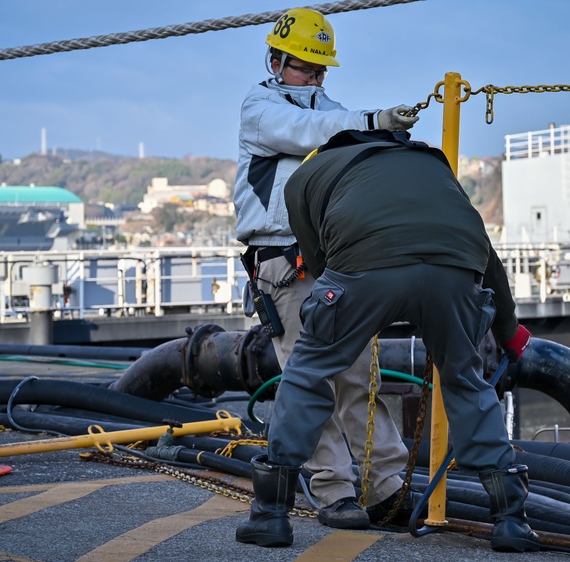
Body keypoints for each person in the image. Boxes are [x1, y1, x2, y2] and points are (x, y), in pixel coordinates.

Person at [234, 128, 539, 552]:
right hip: (453, 274)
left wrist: (351, 313)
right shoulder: (433, 163)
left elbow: (320, 261)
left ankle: (269, 515)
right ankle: (511, 521)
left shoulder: (307, 174)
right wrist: (509, 333)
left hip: (363, 269)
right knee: (465, 381)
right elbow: (487, 256)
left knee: (308, 373)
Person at [232, 7, 419, 530]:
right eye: (303, 67)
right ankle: (333, 491)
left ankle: (386, 487)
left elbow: (342, 143)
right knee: (307, 380)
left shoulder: (335, 112)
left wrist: (382, 136)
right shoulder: (262, 108)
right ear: (276, 60)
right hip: (281, 263)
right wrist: (371, 123)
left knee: (360, 375)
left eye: (319, 70)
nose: (313, 78)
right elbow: (308, 131)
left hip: (334, 262)